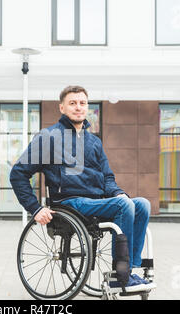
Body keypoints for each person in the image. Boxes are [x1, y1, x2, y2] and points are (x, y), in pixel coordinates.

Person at [10, 85, 156, 293]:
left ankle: (129, 271)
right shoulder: (48, 137)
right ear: (62, 108)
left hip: (96, 202)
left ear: (87, 107)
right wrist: (35, 208)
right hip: (69, 203)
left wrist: (117, 193)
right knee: (124, 205)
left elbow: (107, 177)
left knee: (141, 204)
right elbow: (18, 174)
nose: (78, 107)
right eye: (72, 103)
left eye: (82, 103)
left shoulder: (94, 142)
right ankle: (119, 276)